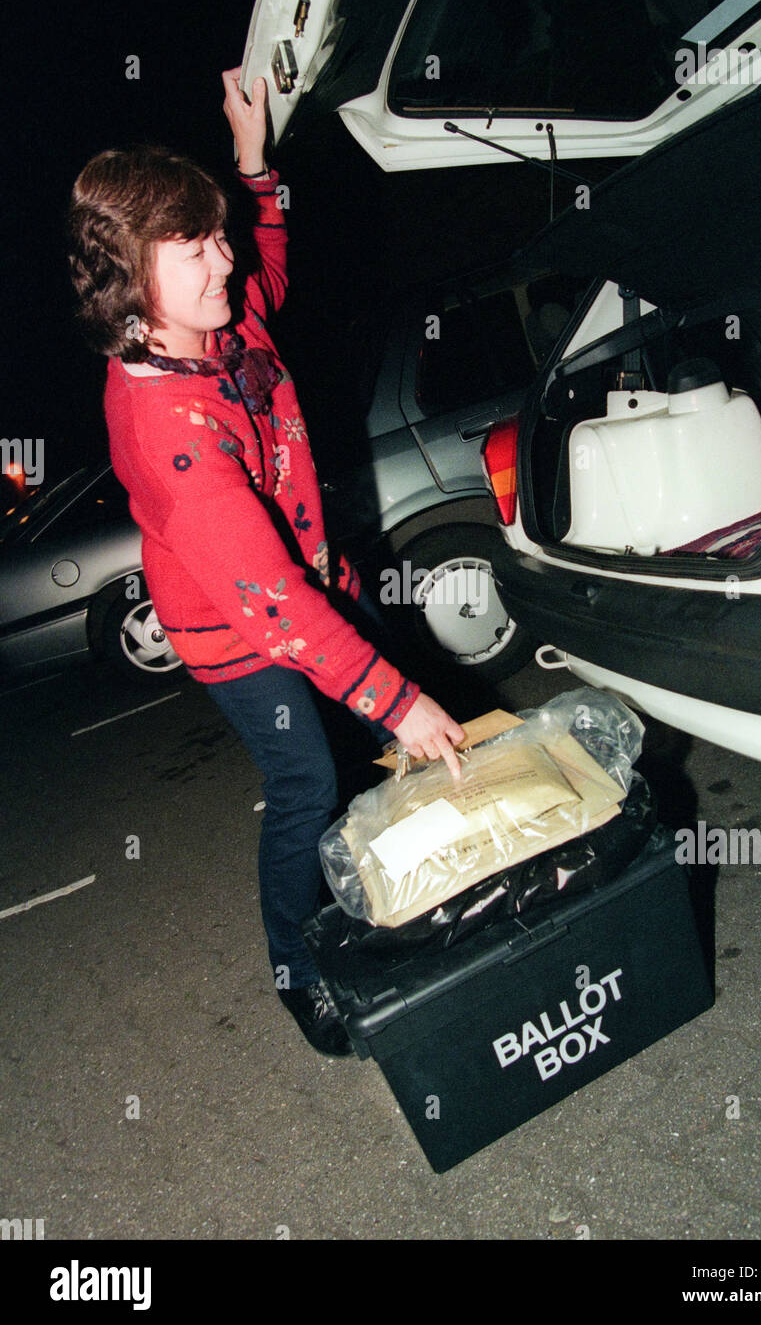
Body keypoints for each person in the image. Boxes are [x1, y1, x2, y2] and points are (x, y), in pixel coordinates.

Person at [68, 68, 465, 1056]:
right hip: (235, 630)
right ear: (128, 273)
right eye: (194, 246)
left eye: (217, 232)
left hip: (302, 579)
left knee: (367, 724)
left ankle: (395, 881)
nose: (224, 258)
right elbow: (270, 601)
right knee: (304, 783)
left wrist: (250, 156)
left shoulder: (213, 325)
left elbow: (269, 275)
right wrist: (401, 701)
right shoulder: (167, 426)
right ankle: (301, 973)